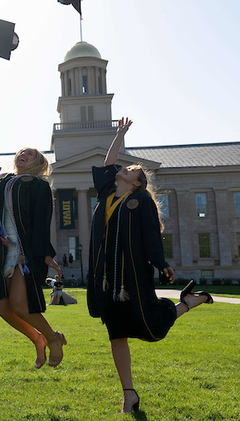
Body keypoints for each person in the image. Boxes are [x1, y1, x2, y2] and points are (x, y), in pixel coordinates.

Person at [87, 118, 214, 414]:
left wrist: (161, 263)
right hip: (106, 276)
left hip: (131, 274)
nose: (125, 167)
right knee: (116, 333)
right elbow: (109, 162)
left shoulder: (140, 201)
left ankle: (187, 303)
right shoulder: (107, 192)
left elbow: (150, 236)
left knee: (152, 327)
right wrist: (119, 134)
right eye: (126, 167)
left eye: (132, 170)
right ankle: (128, 394)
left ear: (138, 182)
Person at [0, 148, 66, 369]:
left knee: (19, 305)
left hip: (25, 254)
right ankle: (38, 339)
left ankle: (53, 337)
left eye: (30, 154)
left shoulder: (39, 185)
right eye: (21, 152)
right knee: (3, 308)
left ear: (38, 163)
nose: (23, 155)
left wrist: (46, 254)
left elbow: (42, 220)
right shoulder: (5, 181)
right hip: (5, 252)